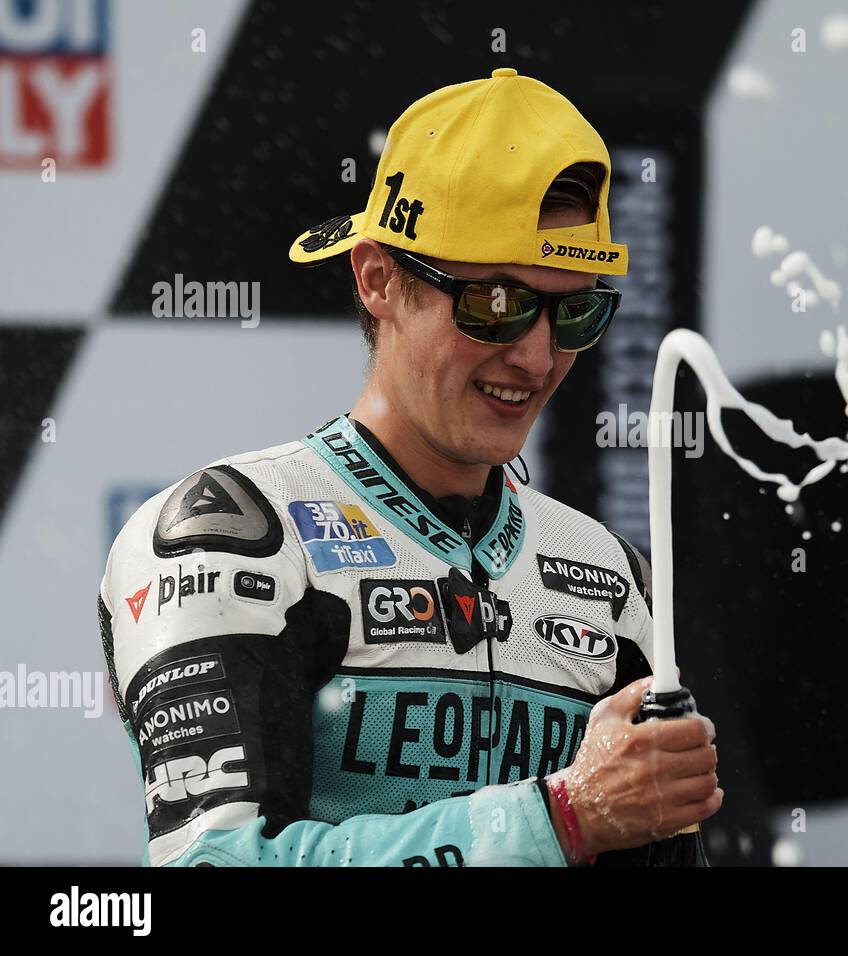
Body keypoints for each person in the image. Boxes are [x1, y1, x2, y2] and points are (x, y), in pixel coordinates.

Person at [97, 68, 721, 867]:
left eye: (573, 311)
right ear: (378, 277)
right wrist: (560, 818)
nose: (535, 357)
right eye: (494, 304)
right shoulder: (228, 536)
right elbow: (216, 865)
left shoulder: (605, 574)